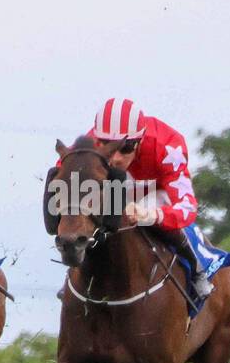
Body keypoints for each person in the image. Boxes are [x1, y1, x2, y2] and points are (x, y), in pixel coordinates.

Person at [87, 97, 212, 299]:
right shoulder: (89, 144)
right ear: (97, 139)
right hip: (118, 185)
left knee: (142, 208)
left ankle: (196, 269)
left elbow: (188, 208)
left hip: (155, 192)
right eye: (106, 145)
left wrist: (151, 215)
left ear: (141, 140)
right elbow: (63, 172)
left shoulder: (169, 147)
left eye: (126, 147)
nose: (116, 157)